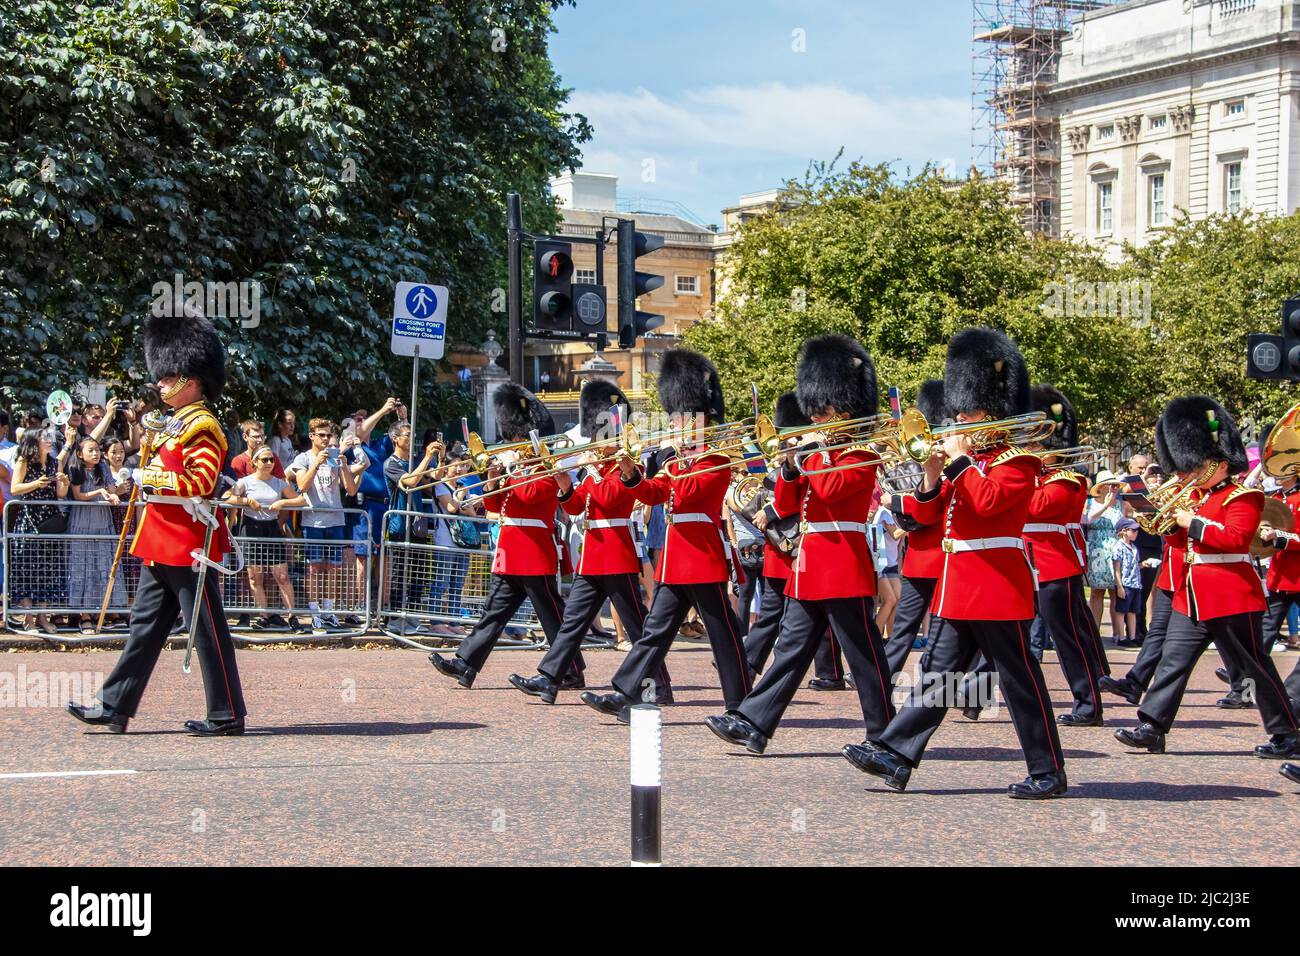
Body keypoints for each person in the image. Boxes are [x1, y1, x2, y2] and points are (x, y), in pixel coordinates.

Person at [843, 327, 1068, 799]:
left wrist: (961, 463)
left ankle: (1047, 771)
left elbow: (987, 504)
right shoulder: (965, 462)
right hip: (959, 586)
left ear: (993, 409)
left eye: (968, 409)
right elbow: (926, 517)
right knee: (939, 676)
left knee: (1020, 680)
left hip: (997, 587)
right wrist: (929, 475)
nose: (958, 417)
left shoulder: (1018, 461)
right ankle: (897, 754)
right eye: (959, 409)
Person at [707, 335, 895, 755]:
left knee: (864, 656)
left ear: (842, 411)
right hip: (810, 568)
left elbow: (830, 490)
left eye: (822, 412)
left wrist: (808, 457)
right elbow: (789, 504)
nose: (814, 420)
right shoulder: (821, 455)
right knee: (790, 651)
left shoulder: (861, 455)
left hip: (844, 566)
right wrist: (789, 468)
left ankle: (885, 736)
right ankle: (754, 722)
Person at [68, 307, 248, 735]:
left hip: (189, 541)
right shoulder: (174, 423)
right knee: (144, 627)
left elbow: (202, 480)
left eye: (169, 377)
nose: (161, 382)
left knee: (206, 629)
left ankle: (226, 714)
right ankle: (115, 704)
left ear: (192, 378)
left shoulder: (201, 424)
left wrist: (149, 476)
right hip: (161, 539)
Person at [1116, 396, 1299, 758]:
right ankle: (1152, 725)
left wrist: (1193, 522)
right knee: (1173, 659)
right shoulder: (1194, 497)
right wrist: (1163, 524)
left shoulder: (1243, 497)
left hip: (1231, 595)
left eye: (1191, 464)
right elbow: (1183, 540)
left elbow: (1234, 539)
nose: (1184, 472)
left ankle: (1287, 733)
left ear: (1215, 462)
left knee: (1253, 667)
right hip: (1192, 593)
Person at [581, 349, 751, 722]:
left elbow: (687, 494)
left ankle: (741, 707)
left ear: (698, 422)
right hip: (676, 559)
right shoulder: (679, 460)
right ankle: (626, 692)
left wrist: (669, 460)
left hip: (702, 557)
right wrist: (631, 475)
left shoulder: (717, 459)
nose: (673, 425)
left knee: (723, 637)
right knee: (655, 633)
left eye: (679, 420)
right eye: (674, 419)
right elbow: (656, 495)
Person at [510, 380, 667, 704]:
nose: (595, 443)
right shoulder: (596, 469)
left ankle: (659, 687)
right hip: (593, 556)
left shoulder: (627, 468)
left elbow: (610, 500)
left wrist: (593, 473)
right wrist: (565, 486)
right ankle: (549, 679)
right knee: (571, 623)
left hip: (617, 554)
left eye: (600, 438)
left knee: (638, 629)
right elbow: (575, 506)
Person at [429, 384, 578, 688]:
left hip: (535, 552)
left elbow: (530, 495)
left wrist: (514, 470)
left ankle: (571, 670)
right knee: (493, 614)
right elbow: (495, 506)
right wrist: (492, 481)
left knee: (553, 618)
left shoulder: (547, 468)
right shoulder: (518, 468)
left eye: (518, 438)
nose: (513, 443)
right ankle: (465, 663)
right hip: (510, 551)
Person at [1020, 384, 1111, 727]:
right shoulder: (1038, 474)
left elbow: (1036, 507)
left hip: (1054, 566)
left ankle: (1088, 705)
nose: (1028, 449)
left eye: (1034, 444)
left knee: (1068, 639)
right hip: (1026, 564)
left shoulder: (1067, 478)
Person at [882, 379, 950, 679]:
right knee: (904, 626)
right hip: (917, 559)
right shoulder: (925, 467)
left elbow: (930, 509)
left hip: (944, 558)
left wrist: (896, 501)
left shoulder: (955, 469)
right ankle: (884, 672)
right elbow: (917, 506)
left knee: (942, 628)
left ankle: (943, 681)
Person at [289, 419, 360, 633]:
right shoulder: (303, 458)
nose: (326, 439)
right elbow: (302, 485)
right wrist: (317, 463)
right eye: (321, 435)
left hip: (335, 520)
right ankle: (314, 612)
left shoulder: (336, 456)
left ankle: (329, 610)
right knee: (313, 568)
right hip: (313, 521)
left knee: (333, 568)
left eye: (328, 435)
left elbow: (351, 490)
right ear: (311, 436)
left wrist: (345, 466)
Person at [225, 447, 306, 631]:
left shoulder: (279, 483)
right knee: (255, 577)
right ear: (255, 463)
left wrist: (283, 502)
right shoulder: (245, 481)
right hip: (251, 528)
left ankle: (292, 615)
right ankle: (263, 615)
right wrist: (246, 502)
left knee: (282, 575)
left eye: (271, 460)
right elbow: (227, 497)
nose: (269, 463)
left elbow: (301, 500)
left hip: (272, 527)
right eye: (265, 460)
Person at [9, 427, 72, 633]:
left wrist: (64, 483)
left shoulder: (55, 462)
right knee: (27, 569)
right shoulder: (24, 461)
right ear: (34, 441)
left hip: (49, 519)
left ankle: (43, 618)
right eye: (45, 437)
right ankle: (28, 619)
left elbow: (60, 494)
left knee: (47, 571)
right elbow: (14, 488)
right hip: (29, 520)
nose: (49, 440)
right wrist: (36, 484)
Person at [65, 437, 127, 633]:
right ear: (80, 453)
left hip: (102, 519)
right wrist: (99, 492)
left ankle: (103, 612)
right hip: (82, 519)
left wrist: (116, 493)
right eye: (90, 450)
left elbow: (110, 490)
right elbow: (79, 496)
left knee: (103, 563)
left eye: (97, 450)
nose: (95, 453)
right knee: (82, 566)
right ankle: (84, 615)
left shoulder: (103, 468)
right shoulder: (75, 468)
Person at [1083, 469, 1125, 638]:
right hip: (1098, 551)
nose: (1113, 488)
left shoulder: (1120, 504)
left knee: (1116, 591)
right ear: (1100, 488)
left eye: (1115, 485)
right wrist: (1106, 506)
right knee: (1097, 592)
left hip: (1115, 551)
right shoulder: (1090, 503)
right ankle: (1095, 631)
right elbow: (1087, 520)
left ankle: (1118, 633)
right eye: (1110, 485)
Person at [1112, 516, 1142, 646]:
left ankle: (1132, 636)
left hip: (1135, 583)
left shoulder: (1134, 548)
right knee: (1121, 611)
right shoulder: (1118, 547)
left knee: (1132, 611)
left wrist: (1144, 564)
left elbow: (1135, 565)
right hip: (1125, 584)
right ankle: (1122, 637)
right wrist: (1119, 586)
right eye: (1133, 530)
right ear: (1124, 531)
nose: (1136, 533)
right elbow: (1117, 569)